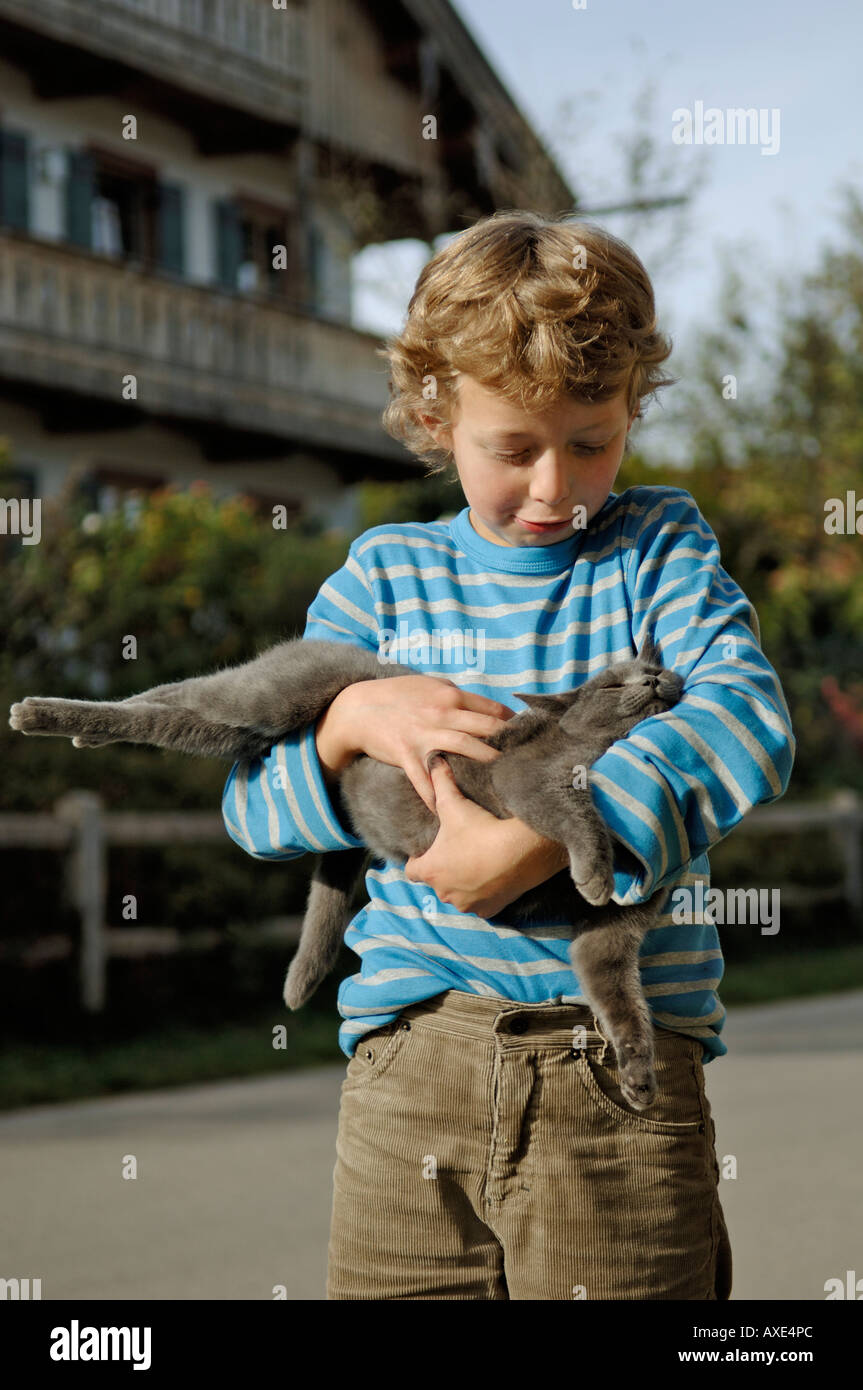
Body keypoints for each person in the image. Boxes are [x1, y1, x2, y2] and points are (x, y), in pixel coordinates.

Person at [222, 212, 795, 1300]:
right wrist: (345, 726)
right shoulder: (382, 578)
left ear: (633, 406)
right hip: (407, 1061)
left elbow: (743, 717)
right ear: (436, 416)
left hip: (615, 1074)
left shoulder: (656, 548)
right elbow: (253, 805)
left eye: (591, 440)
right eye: (513, 448)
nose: (554, 488)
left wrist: (541, 840)